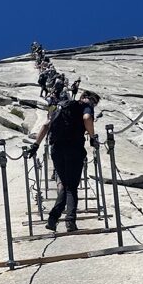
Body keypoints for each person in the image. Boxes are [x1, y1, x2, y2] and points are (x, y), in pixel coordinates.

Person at [27, 90, 100, 232]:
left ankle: (53, 219)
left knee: (65, 186)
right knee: (71, 187)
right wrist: (92, 137)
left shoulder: (60, 106)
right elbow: (86, 118)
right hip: (74, 149)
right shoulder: (85, 105)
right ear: (87, 98)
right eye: (94, 102)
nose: (94, 105)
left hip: (56, 149)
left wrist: (36, 145)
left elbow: (46, 125)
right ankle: (70, 222)